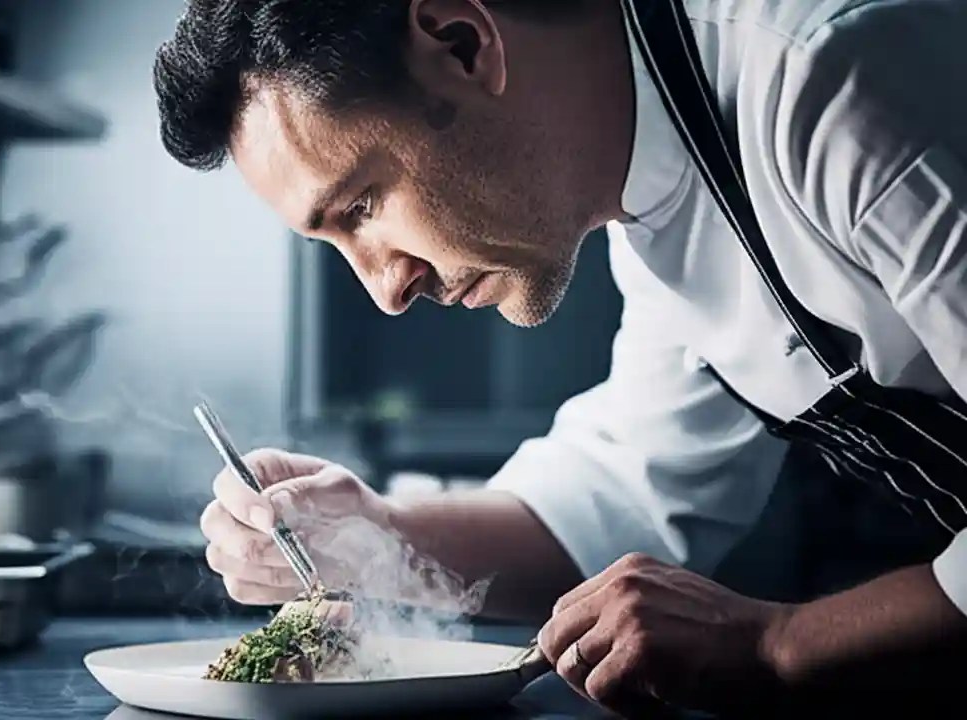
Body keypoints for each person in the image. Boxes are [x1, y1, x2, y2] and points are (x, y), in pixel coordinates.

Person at [153, 0, 967, 714]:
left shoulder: (835, 74)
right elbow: (622, 499)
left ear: (463, 42)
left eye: (362, 206)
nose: (385, 291)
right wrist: (374, 538)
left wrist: (781, 643)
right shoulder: (655, 194)